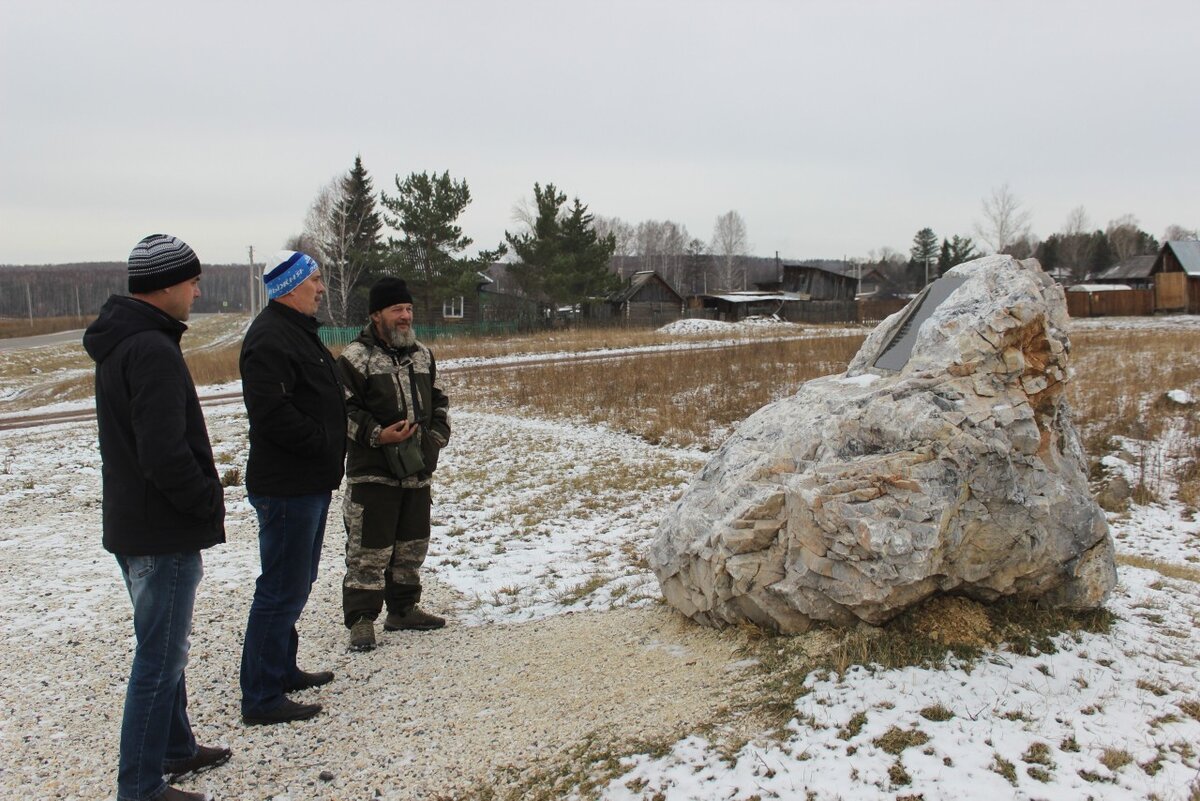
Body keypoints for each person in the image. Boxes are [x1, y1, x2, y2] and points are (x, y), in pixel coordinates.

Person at [83, 234, 231, 801]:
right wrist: (205, 500)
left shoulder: (123, 341)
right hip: (160, 529)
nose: (197, 290)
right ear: (165, 285)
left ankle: (175, 746)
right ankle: (141, 786)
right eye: (192, 280)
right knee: (159, 656)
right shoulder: (150, 349)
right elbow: (164, 453)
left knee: (163, 643)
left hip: (136, 524)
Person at [238, 250, 346, 725]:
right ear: (290, 286)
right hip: (287, 486)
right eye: (316, 280)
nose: (321, 288)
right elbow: (273, 413)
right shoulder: (268, 339)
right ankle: (261, 697)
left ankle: (282, 669)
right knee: (280, 589)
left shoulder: (297, 331)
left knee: (296, 582)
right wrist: (324, 443)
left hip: (308, 482)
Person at [338, 277, 451, 651]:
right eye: (396, 310)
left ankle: (403, 610)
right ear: (376, 315)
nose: (405, 316)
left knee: (412, 544)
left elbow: (440, 404)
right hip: (373, 471)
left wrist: (433, 441)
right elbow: (343, 410)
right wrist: (378, 434)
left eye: (408, 310)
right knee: (368, 550)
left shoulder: (422, 355)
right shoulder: (354, 358)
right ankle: (361, 620)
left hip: (416, 470)